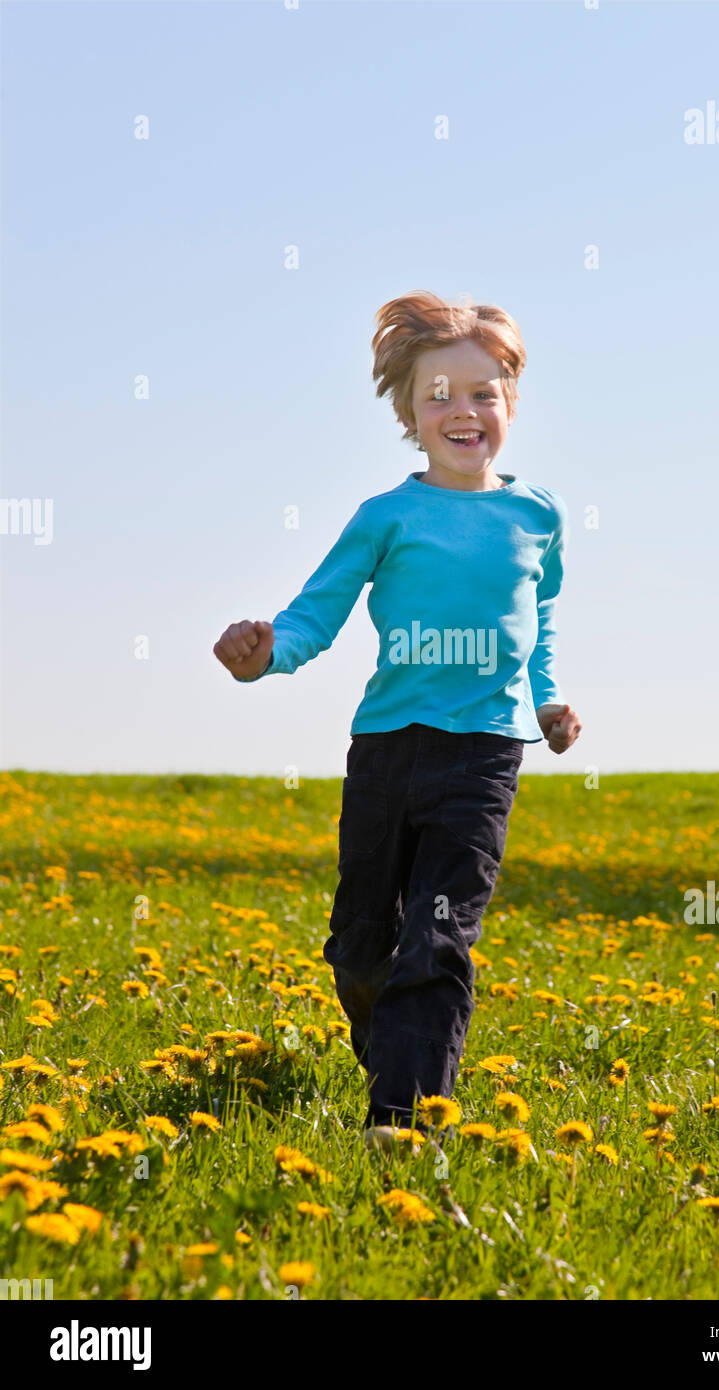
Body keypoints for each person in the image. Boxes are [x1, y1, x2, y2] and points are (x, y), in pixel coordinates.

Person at [213, 290, 581, 1149]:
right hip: (387, 750)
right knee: (361, 947)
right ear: (408, 415)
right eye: (439, 395)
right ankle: (390, 1051)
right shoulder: (387, 516)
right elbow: (316, 614)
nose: (463, 410)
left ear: (512, 403)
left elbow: (543, 619)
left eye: (482, 392)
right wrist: (265, 652)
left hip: (484, 753)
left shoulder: (538, 518)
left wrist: (548, 701)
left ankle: (403, 1123)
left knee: (441, 934)